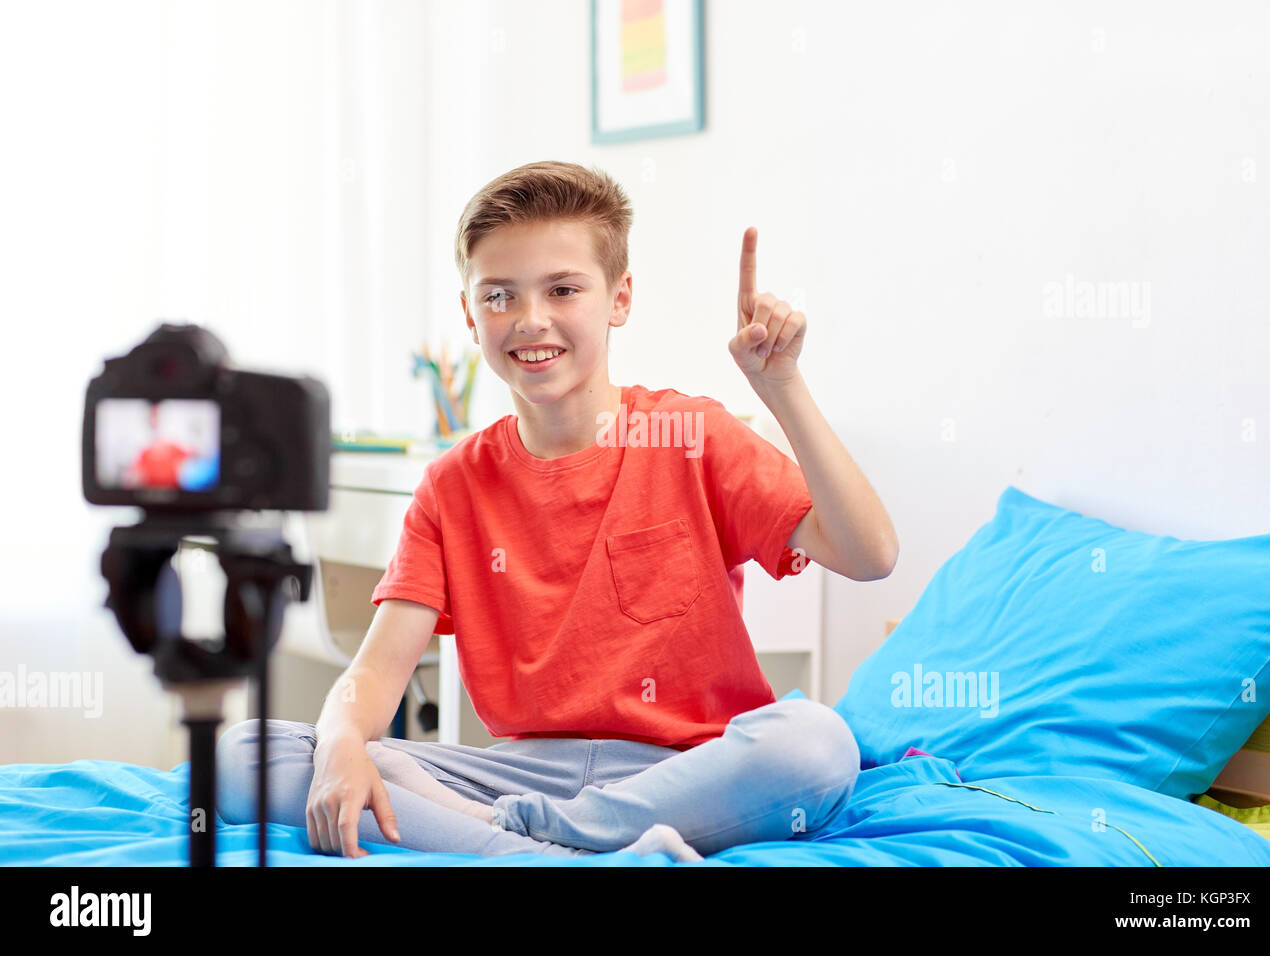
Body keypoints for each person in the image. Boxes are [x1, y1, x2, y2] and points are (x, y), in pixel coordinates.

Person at [216, 161, 898, 861]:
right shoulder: (451, 487)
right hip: (518, 771)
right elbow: (373, 675)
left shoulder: (692, 435)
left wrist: (780, 385)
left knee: (816, 744)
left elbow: (871, 555)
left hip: (684, 771)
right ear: (470, 314)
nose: (530, 320)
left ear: (619, 297)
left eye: (563, 289)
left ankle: (524, 846)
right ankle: (546, 850)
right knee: (248, 757)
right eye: (500, 296)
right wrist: (339, 745)